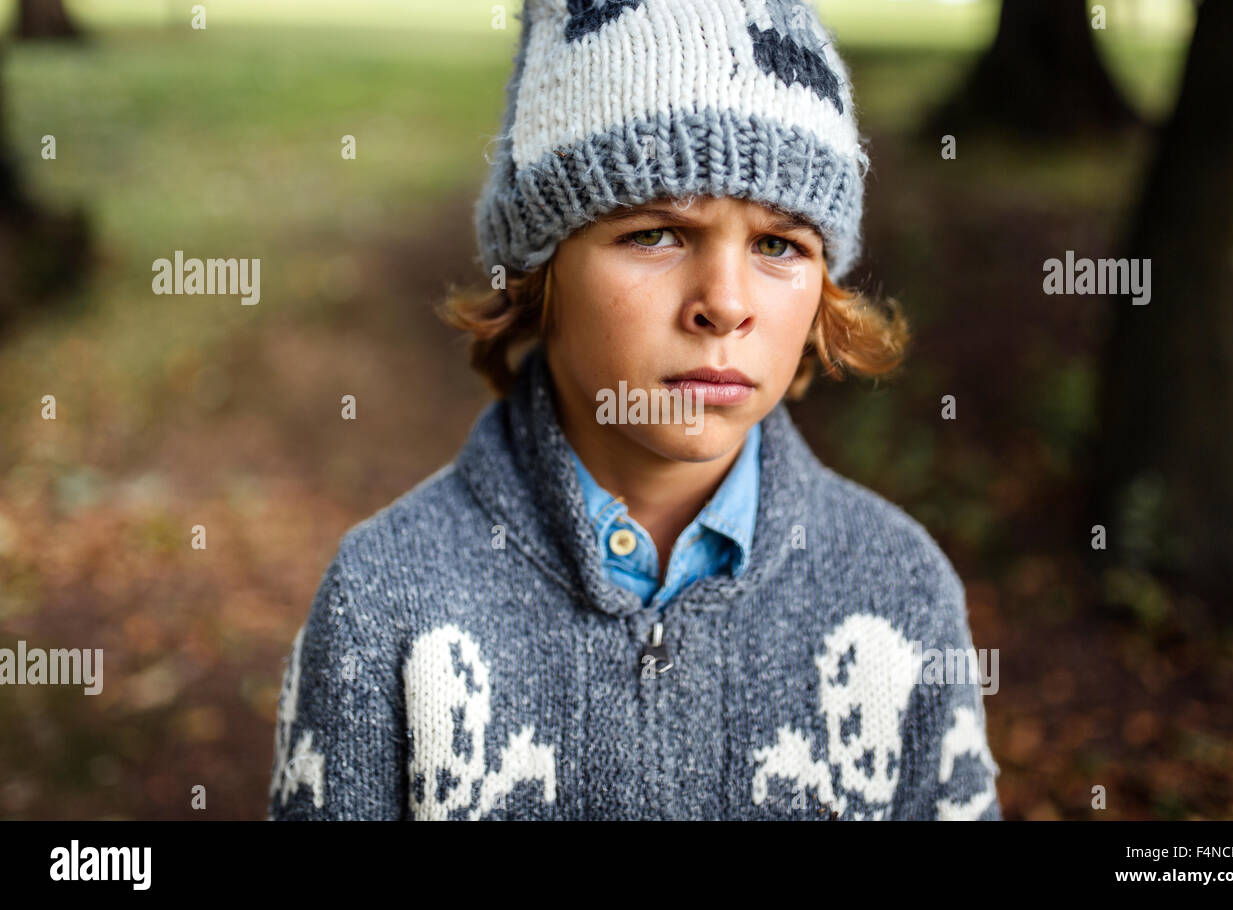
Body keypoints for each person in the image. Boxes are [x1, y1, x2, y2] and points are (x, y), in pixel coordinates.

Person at [269, 0, 1000, 821]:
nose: (724, 305)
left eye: (778, 246)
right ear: (539, 270)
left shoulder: (899, 591)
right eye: (656, 233)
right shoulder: (385, 603)